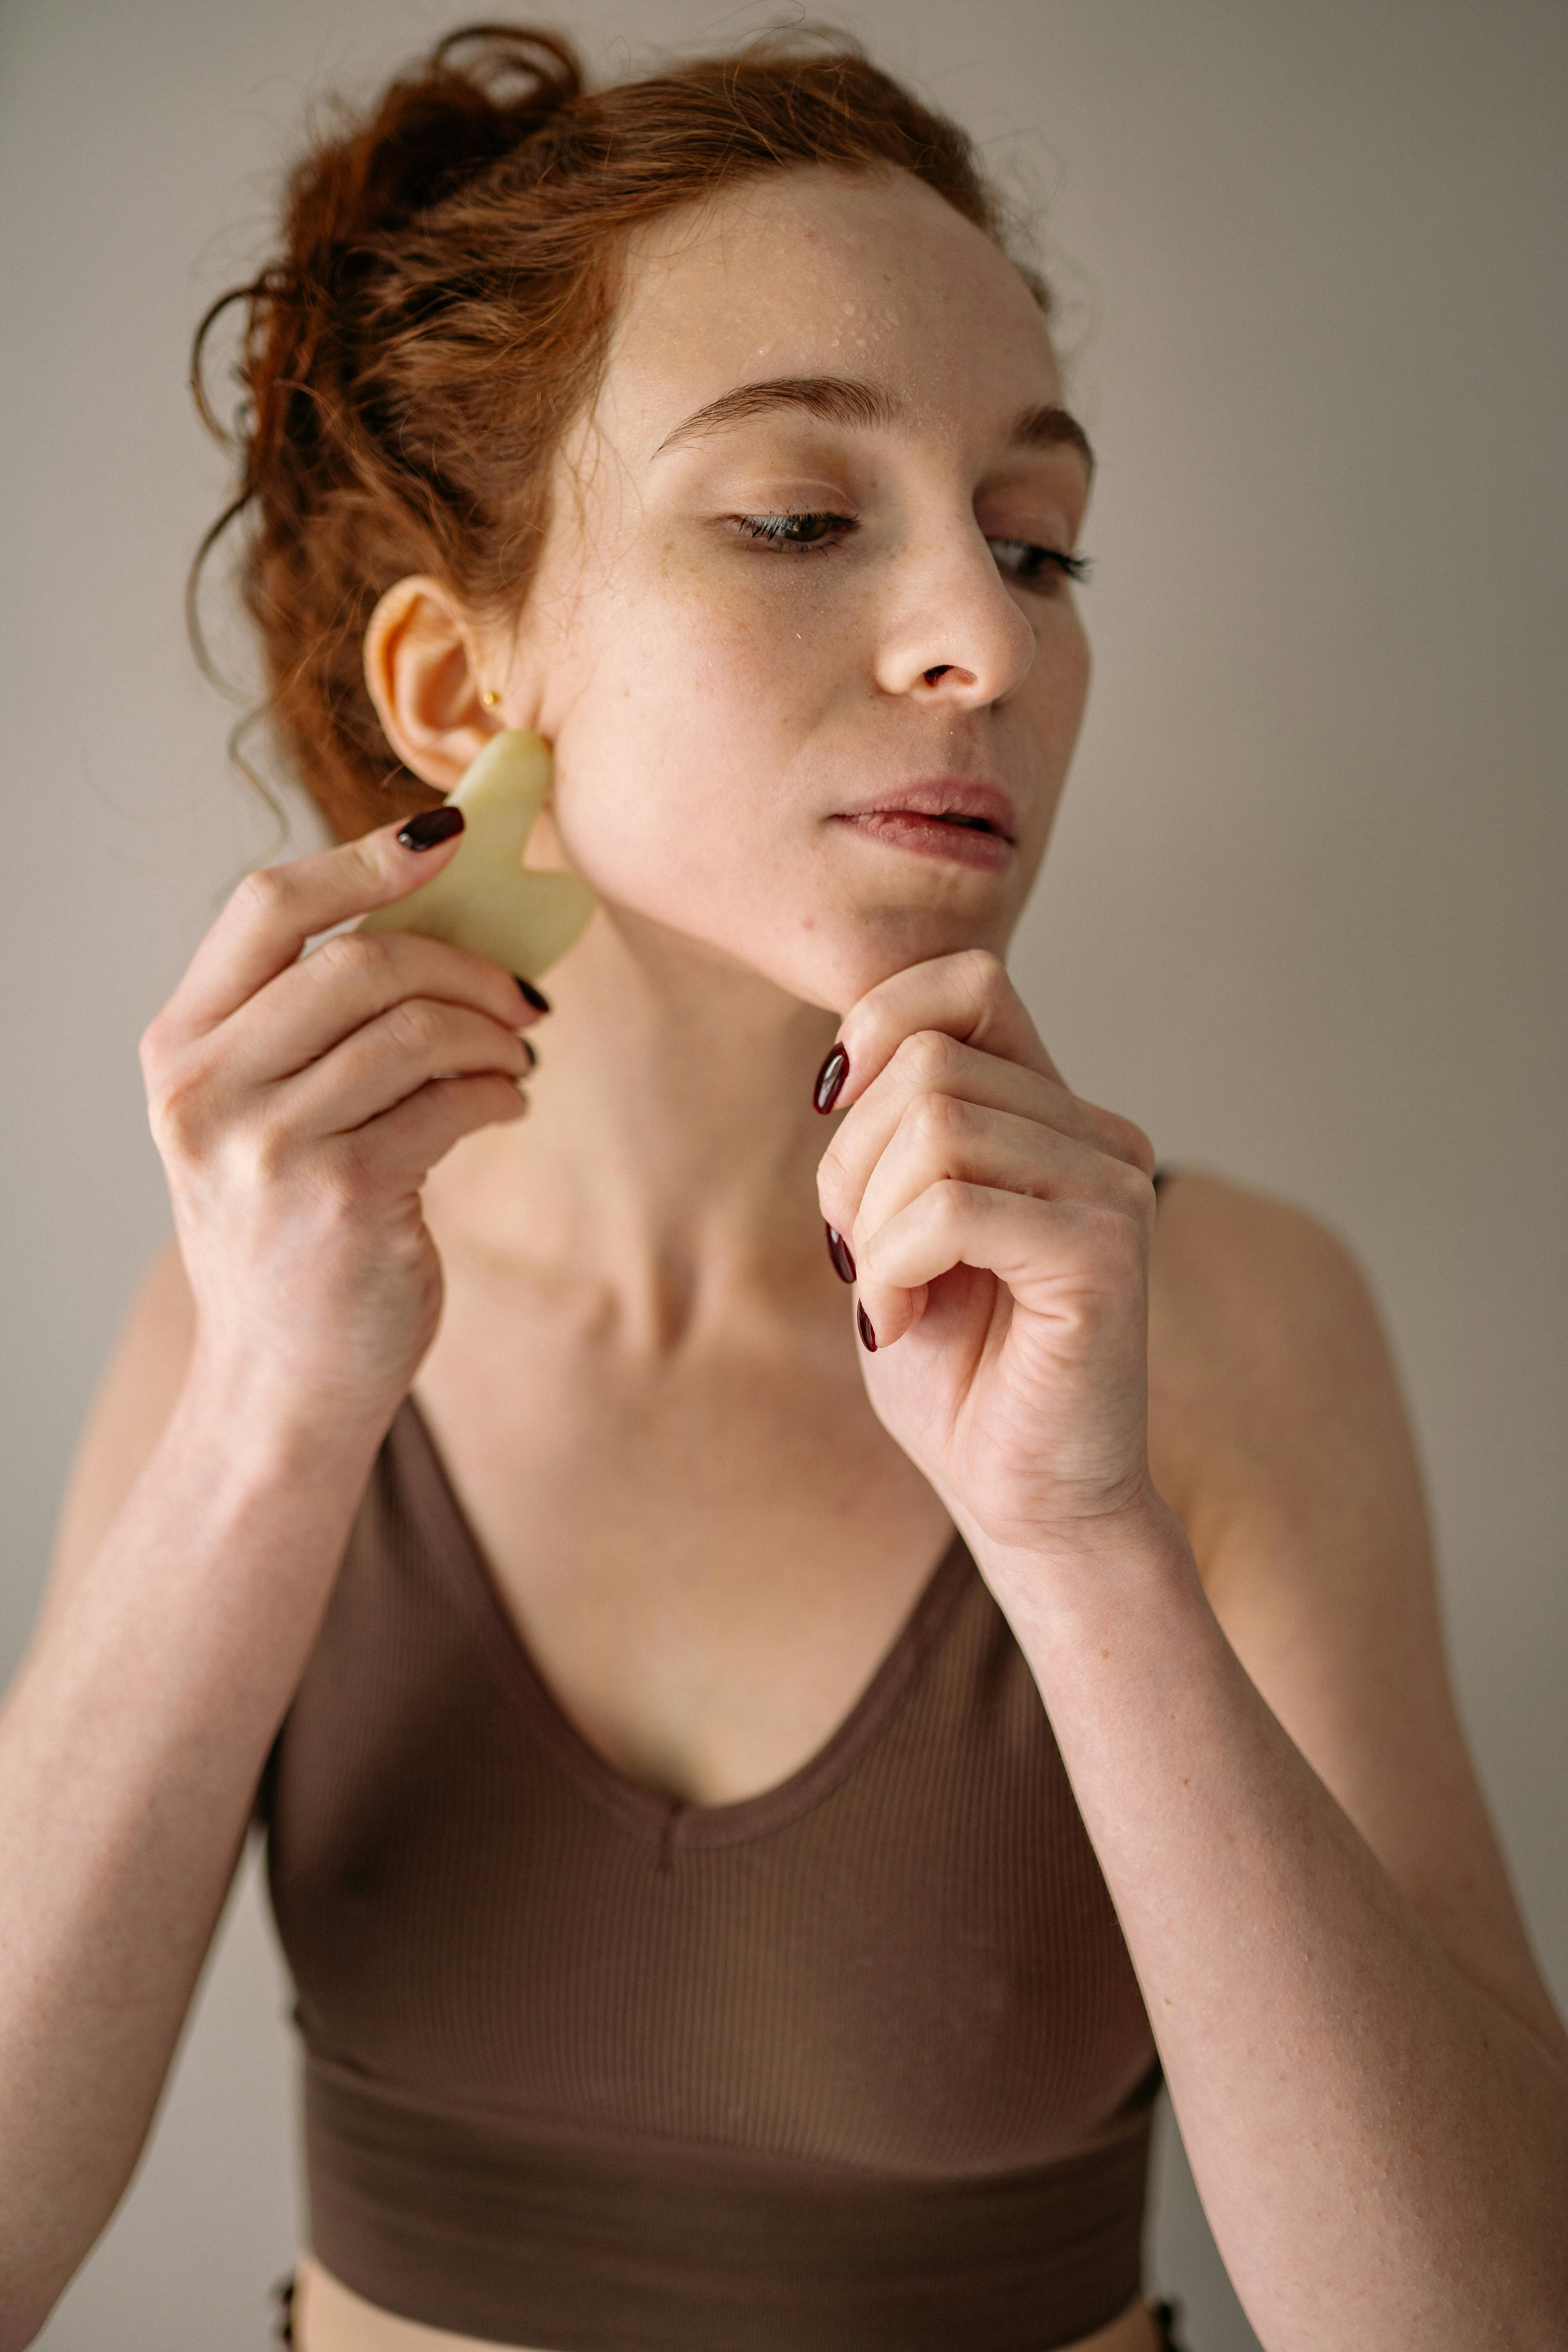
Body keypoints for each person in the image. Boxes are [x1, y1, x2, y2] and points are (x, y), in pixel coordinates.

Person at [2, 23, 1565, 2352]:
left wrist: (1078, 1541)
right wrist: (271, 1420)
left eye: (1036, 539)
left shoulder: (1235, 1324)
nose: (991, 637)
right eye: (804, 518)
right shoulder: (252, 1314)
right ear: (457, 684)